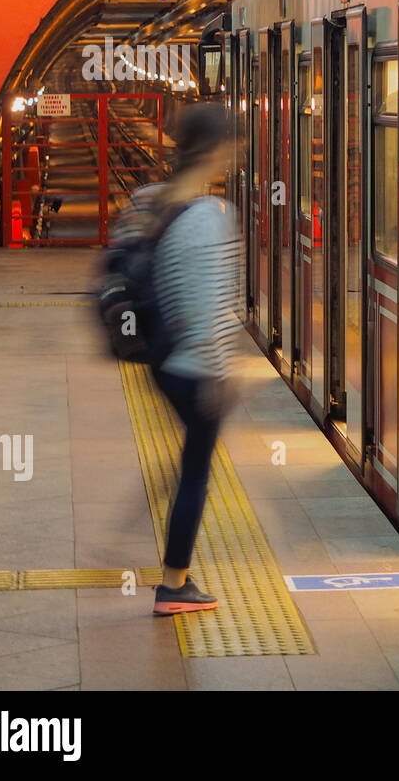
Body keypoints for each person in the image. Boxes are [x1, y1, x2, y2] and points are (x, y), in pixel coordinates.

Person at [124, 104, 242, 615]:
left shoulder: (150, 200)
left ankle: (170, 574)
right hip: (193, 366)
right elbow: (208, 303)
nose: (236, 154)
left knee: (191, 465)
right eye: (232, 145)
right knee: (196, 472)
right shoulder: (210, 215)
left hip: (160, 356)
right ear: (215, 150)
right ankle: (174, 586)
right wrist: (220, 371)